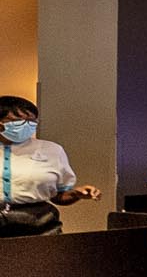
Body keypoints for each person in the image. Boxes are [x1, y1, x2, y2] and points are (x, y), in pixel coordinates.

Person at [0, 95, 100, 236]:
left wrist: (77, 193)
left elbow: (58, 196)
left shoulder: (51, 150)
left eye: (32, 121)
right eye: (19, 121)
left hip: (40, 225)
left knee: (44, 257)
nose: (27, 125)